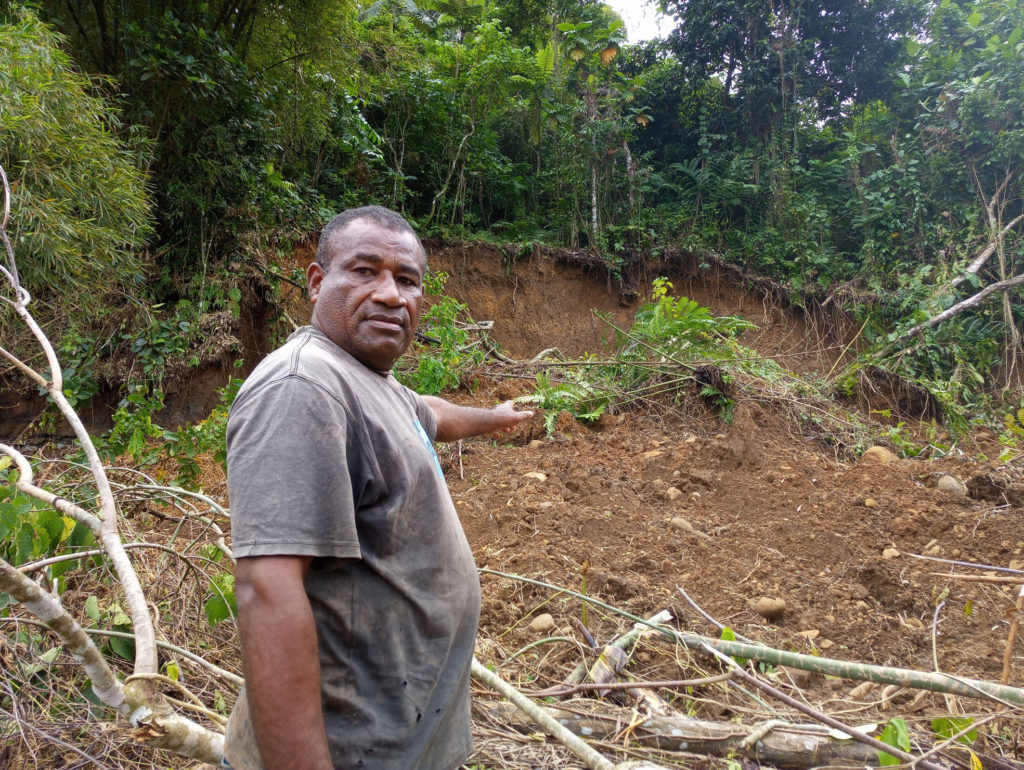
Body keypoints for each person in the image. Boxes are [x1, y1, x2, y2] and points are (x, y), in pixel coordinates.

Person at [222, 206, 533, 769]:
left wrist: (493, 415)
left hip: (396, 738)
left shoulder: (368, 380)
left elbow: (429, 413)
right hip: (345, 751)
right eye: (365, 272)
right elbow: (267, 590)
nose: (391, 294)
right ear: (317, 282)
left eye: (406, 279)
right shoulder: (304, 388)